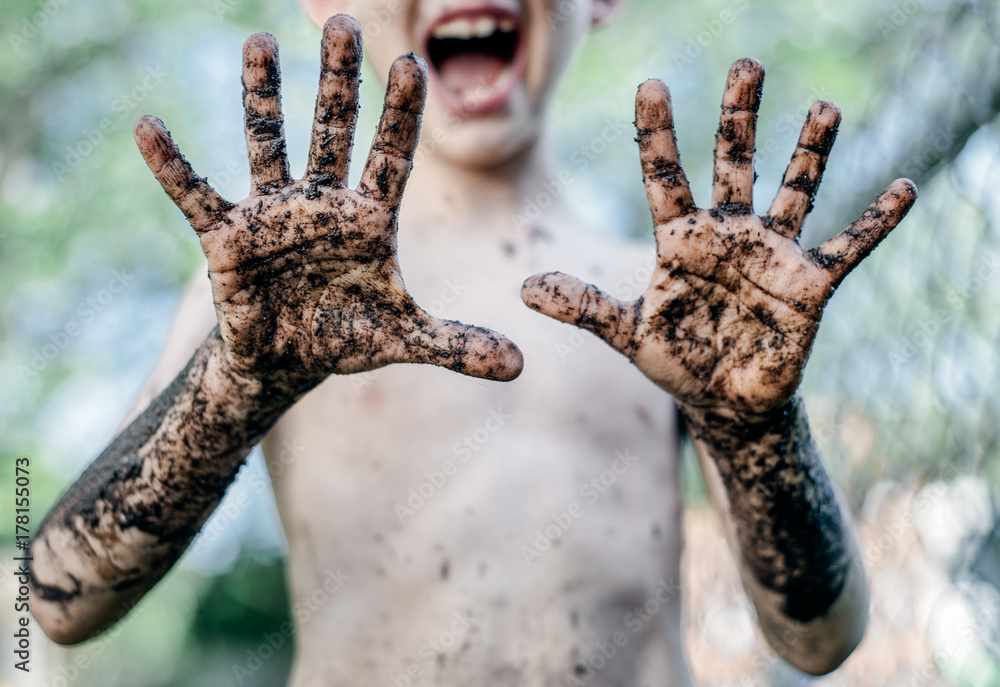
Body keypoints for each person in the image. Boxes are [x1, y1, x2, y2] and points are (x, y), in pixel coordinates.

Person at [28, 1, 917, 684]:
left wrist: (757, 431)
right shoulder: (271, 293)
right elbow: (57, 598)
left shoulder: (674, 309)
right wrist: (232, 385)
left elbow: (819, 636)